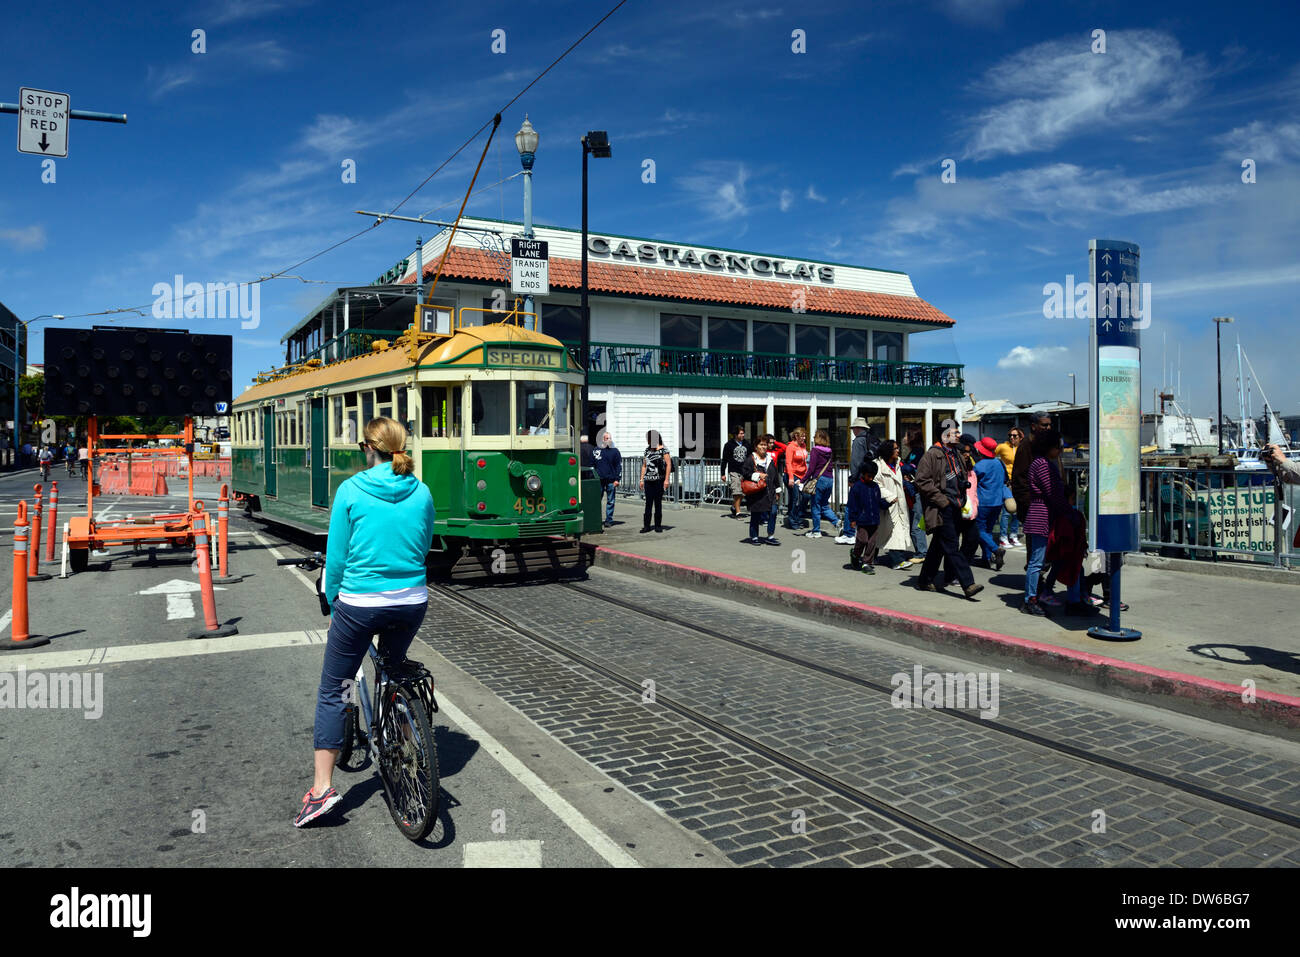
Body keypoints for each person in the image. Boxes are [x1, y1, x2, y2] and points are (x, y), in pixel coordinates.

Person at [297, 416, 436, 828]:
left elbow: (336, 556)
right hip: (412, 601)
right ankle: (404, 732)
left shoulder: (351, 490)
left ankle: (321, 790)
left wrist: (332, 596)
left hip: (359, 605)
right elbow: (423, 545)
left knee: (334, 689)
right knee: (392, 666)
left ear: (367, 449)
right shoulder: (422, 491)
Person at [914, 425, 983, 598]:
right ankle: (968, 584)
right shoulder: (932, 455)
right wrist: (941, 500)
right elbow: (921, 481)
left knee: (938, 546)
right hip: (941, 508)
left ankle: (924, 579)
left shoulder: (956, 454)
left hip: (957, 506)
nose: (959, 435)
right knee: (952, 546)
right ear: (945, 435)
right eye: (955, 433)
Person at [1021, 429, 1068, 616]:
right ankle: (1030, 599)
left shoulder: (1041, 463)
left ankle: (1039, 594)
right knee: (1036, 562)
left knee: (1043, 559)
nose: (1060, 451)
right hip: (1041, 514)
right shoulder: (1043, 465)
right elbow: (1052, 492)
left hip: (1042, 514)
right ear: (1049, 447)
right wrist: (1067, 511)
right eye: (1058, 447)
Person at [874, 440, 916, 569]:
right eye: (895, 449)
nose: (898, 451)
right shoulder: (878, 466)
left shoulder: (898, 464)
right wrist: (890, 496)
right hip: (886, 504)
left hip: (899, 504)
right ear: (888, 451)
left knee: (896, 531)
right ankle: (872, 557)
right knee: (881, 533)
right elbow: (877, 485)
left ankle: (897, 560)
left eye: (898, 448)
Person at [973, 437, 1007, 571]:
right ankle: (985, 559)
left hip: (983, 502)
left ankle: (995, 550)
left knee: (979, 530)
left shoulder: (979, 466)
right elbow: (1004, 479)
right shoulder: (999, 463)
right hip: (997, 501)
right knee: (988, 530)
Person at [1011, 413, 1054, 519]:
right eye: (1044, 425)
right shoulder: (1026, 446)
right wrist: (1030, 505)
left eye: (1049, 425)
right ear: (1033, 426)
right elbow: (1020, 479)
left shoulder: (1048, 445)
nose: (1048, 428)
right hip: (1034, 509)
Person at [741, 434, 781, 546]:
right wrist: (758, 475)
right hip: (757, 493)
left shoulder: (770, 459)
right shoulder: (750, 459)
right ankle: (754, 537)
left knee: (773, 512)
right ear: (756, 446)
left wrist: (778, 490)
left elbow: (775, 476)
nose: (764, 447)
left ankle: (770, 536)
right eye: (761, 444)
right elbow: (744, 473)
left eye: (765, 444)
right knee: (756, 515)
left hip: (770, 491)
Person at [844, 460, 883, 573]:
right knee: (862, 540)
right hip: (862, 520)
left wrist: (887, 504)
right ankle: (855, 555)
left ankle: (867, 563)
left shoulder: (875, 487)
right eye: (868, 476)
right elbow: (852, 505)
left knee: (872, 543)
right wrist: (852, 519)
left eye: (873, 476)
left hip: (874, 520)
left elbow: (878, 501)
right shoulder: (857, 487)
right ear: (863, 473)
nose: (871, 478)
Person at [804, 429, 838, 539]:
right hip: (829, 479)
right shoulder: (829, 450)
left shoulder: (815, 450)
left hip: (819, 479)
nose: (813, 438)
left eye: (815, 436)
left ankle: (816, 531)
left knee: (815, 505)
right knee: (824, 505)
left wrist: (803, 479)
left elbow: (811, 468)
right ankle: (837, 522)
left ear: (818, 438)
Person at [901, 428, 928, 561]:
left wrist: (907, 472)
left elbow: (914, 469)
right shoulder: (913, 452)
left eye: (906, 435)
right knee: (914, 521)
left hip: (917, 491)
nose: (903, 438)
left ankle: (922, 552)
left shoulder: (918, 452)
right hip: (913, 491)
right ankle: (920, 551)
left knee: (917, 523)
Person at [995, 428, 1023, 547]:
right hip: (1007, 483)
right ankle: (1003, 537)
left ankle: (1013, 535)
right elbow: (991, 455)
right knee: (1007, 511)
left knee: (1017, 511)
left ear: (1020, 437)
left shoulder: (1022, 448)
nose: (1012, 438)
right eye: (1010, 435)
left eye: (1015, 436)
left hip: (1019, 483)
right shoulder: (1003, 447)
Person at [639, 430, 671, 533]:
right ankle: (646, 526)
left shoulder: (663, 450)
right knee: (648, 503)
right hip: (648, 481)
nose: (647, 441)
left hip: (659, 481)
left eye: (649, 439)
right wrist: (641, 479)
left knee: (658, 503)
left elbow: (668, 465)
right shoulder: (647, 450)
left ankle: (658, 526)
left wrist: (666, 480)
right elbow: (644, 465)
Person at [592, 430, 621, 527]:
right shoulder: (596, 450)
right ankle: (596, 519)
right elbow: (592, 465)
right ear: (603, 440)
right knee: (596, 500)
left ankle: (609, 520)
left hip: (611, 480)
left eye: (610, 438)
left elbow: (618, 466)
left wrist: (617, 479)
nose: (609, 440)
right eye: (607, 438)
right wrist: (593, 477)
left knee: (610, 501)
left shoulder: (615, 451)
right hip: (599, 480)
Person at [721, 426, 750, 520]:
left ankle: (734, 506)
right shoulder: (729, 445)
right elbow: (724, 460)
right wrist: (723, 473)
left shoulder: (746, 444)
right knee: (737, 491)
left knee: (743, 492)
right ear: (736, 435)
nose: (743, 435)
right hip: (734, 471)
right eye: (740, 433)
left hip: (745, 471)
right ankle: (738, 512)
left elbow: (750, 457)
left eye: (743, 433)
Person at [784, 428, 809, 529]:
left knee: (806, 496)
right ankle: (793, 521)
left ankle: (797, 516)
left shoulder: (803, 445)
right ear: (796, 436)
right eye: (802, 436)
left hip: (802, 475)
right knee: (795, 498)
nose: (804, 438)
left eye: (804, 436)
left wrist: (807, 474)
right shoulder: (790, 447)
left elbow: (804, 461)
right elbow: (788, 463)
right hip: (792, 474)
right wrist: (790, 478)